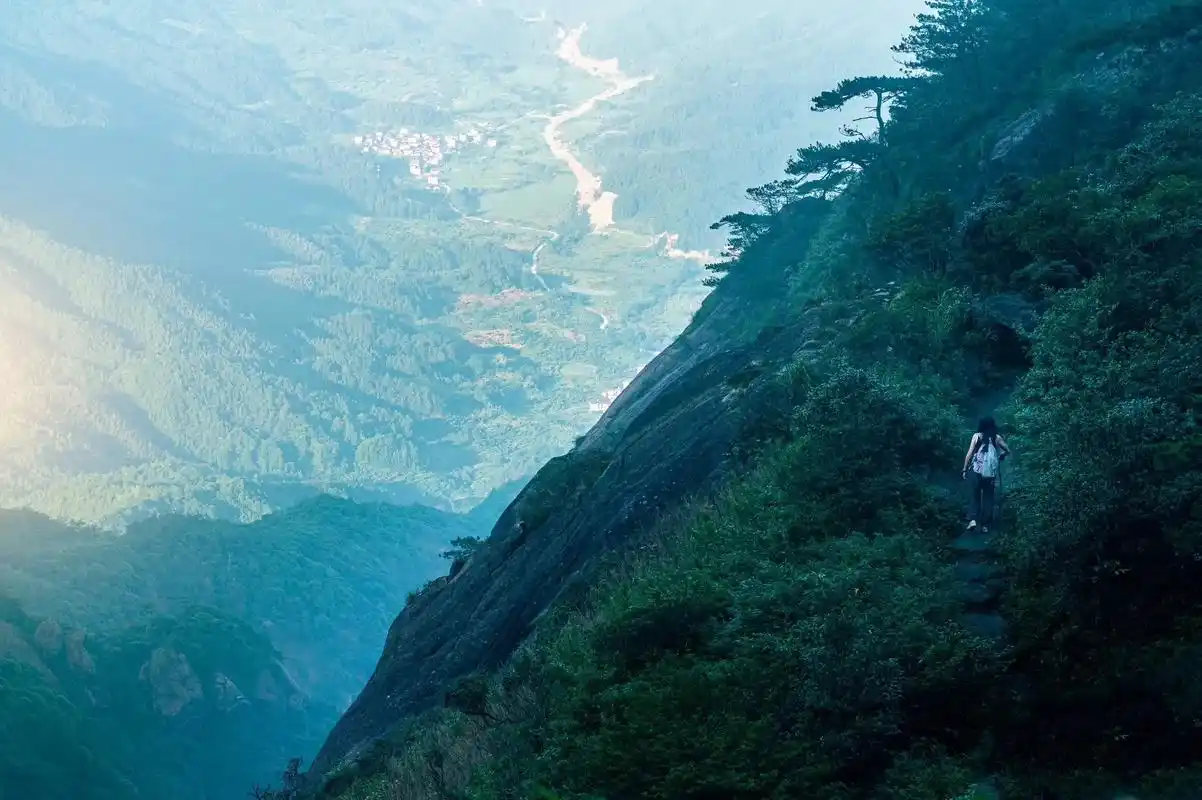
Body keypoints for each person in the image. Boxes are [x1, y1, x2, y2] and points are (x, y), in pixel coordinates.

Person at [962, 417, 1010, 532]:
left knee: (975, 495)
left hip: (976, 471)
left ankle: (973, 520)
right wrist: (1002, 455)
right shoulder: (996, 438)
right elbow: (1007, 450)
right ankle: (985, 525)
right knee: (988, 498)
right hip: (990, 474)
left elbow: (970, 453)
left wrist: (964, 469)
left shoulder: (977, 436)